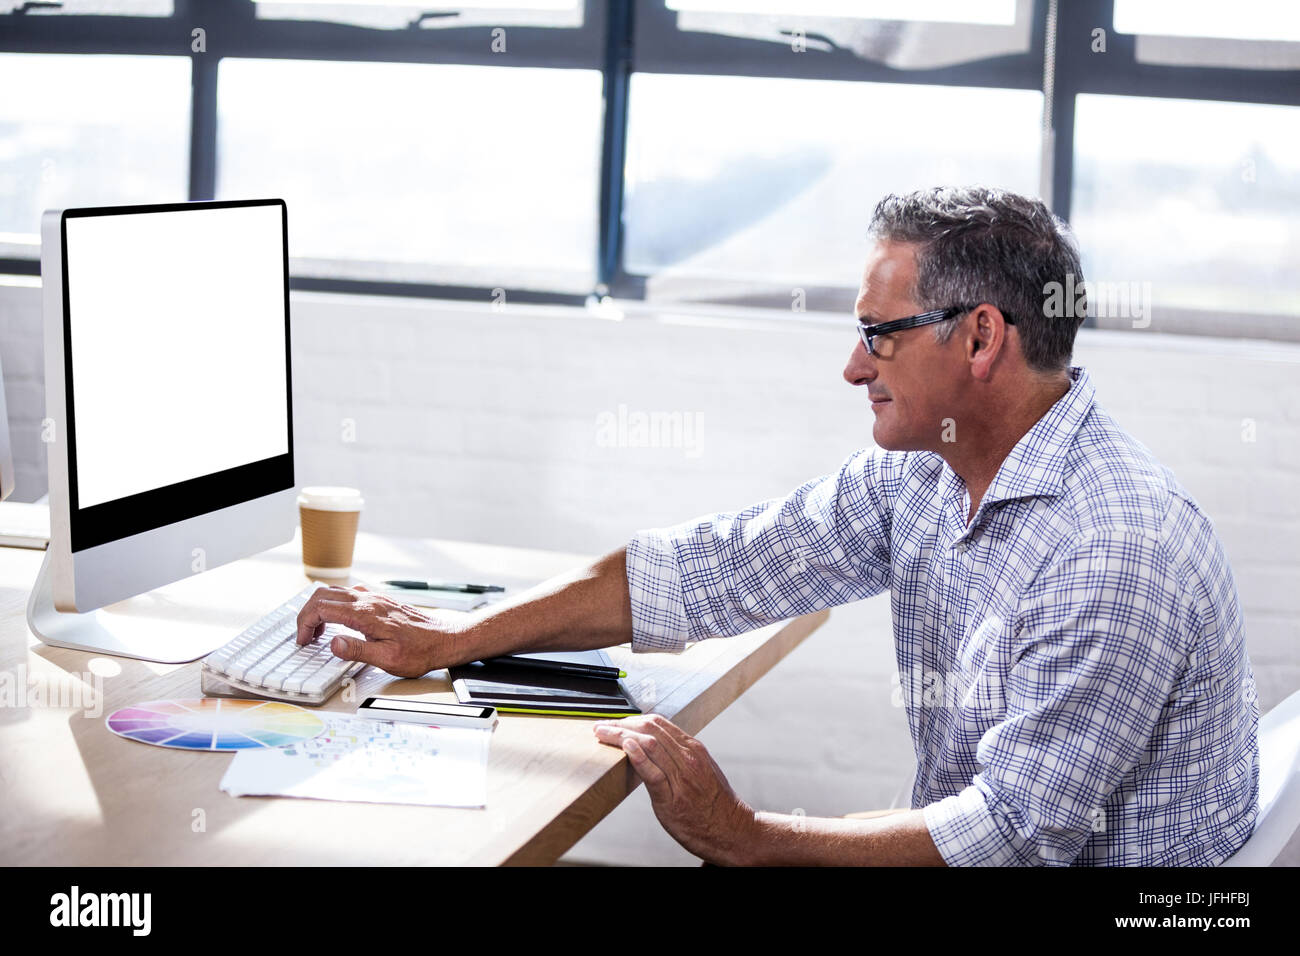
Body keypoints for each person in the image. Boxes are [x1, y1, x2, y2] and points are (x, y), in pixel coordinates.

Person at [295, 185, 1259, 867]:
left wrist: (747, 839)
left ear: (979, 337)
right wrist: (456, 636)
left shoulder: (1113, 548)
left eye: (880, 334)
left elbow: (1005, 838)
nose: (853, 365)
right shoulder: (928, 472)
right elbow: (707, 571)